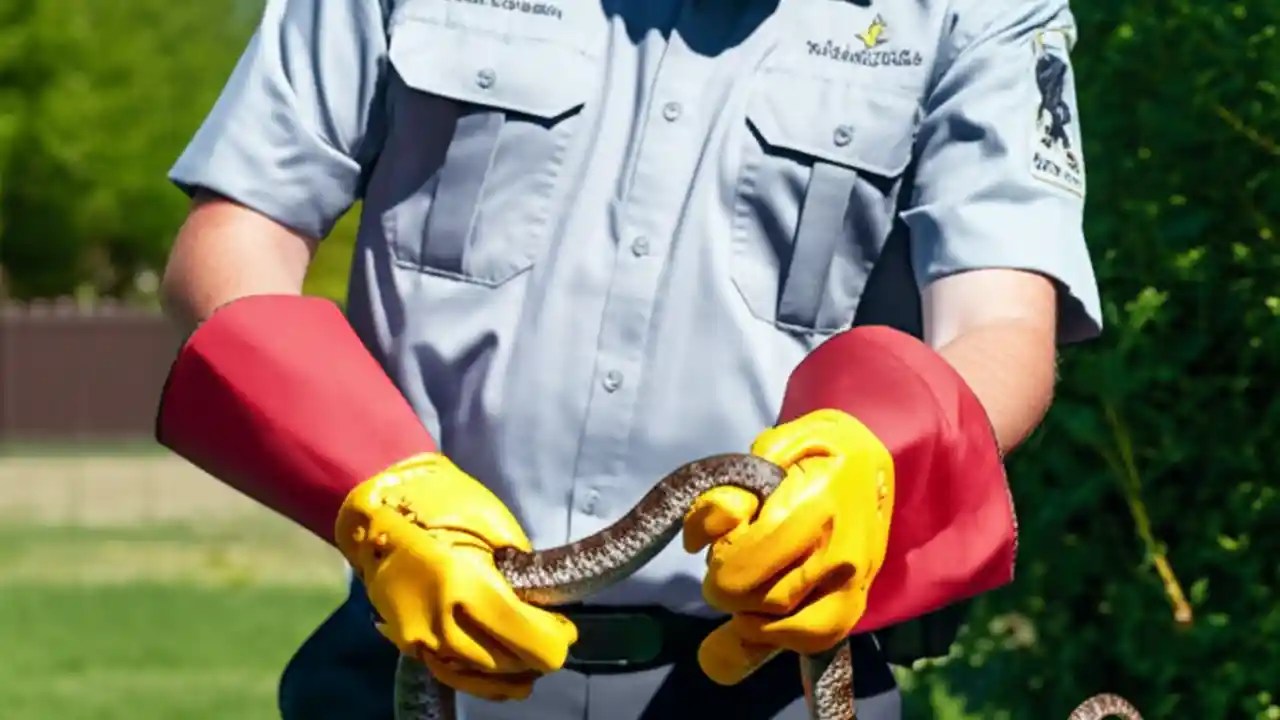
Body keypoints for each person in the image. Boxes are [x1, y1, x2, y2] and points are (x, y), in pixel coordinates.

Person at [154, 0, 1101, 718]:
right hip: (418, 652)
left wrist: (869, 462)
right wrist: (380, 493)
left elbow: (999, 327)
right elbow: (235, 239)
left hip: (769, 678)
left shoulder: (979, 15)